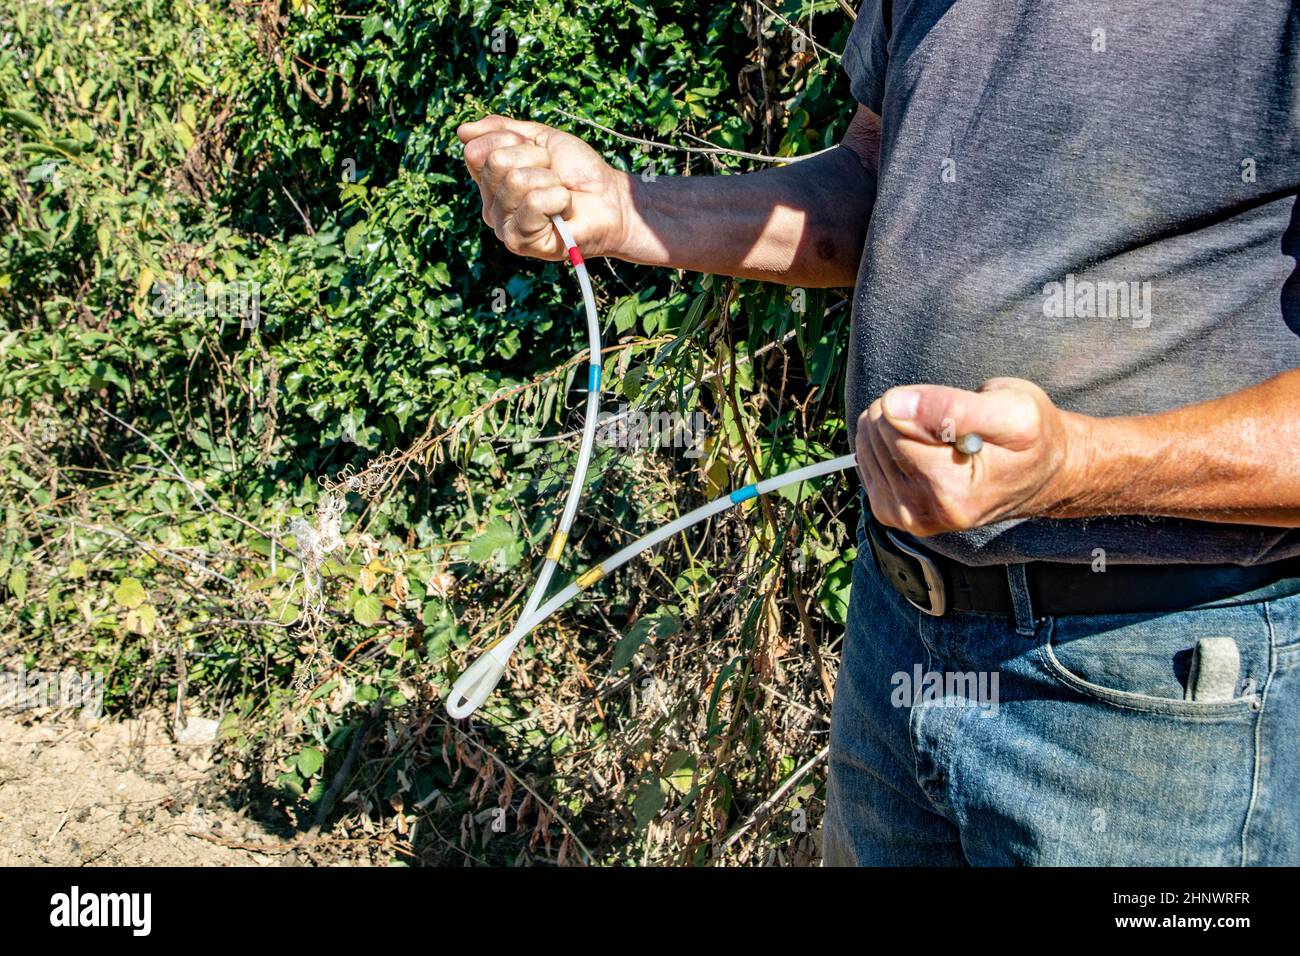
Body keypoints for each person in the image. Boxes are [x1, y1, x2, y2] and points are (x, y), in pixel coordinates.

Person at [457, 1, 1300, 865]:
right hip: (900, 631)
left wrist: (1077, 467)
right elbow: (874, 182)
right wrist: (632, 213)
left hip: (1154, 683)